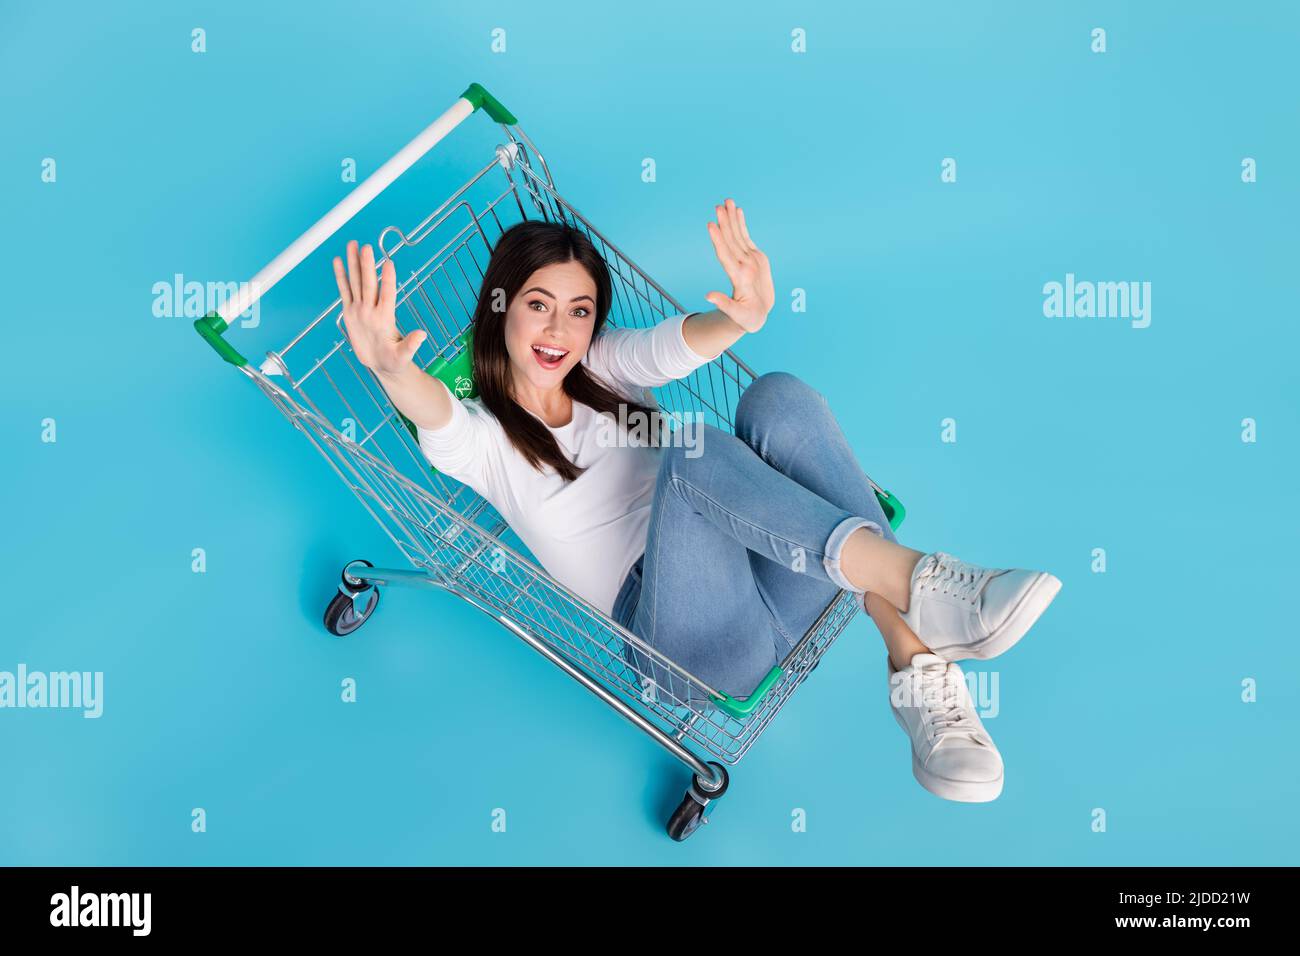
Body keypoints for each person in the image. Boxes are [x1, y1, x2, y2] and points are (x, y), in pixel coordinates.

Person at [333, 200, 1061, 804]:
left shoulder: (605, 372)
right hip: (689, 648)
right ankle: (921, 592)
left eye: (579, 311)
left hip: (780, 565)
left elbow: (670, 348)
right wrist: (393, 370)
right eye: (538, 305)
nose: (559, 331)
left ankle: (918, 659)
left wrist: (741, 317)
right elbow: (439, 420)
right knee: (689, 445)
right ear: (498, 308)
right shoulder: (490, 442)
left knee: (775, 396)